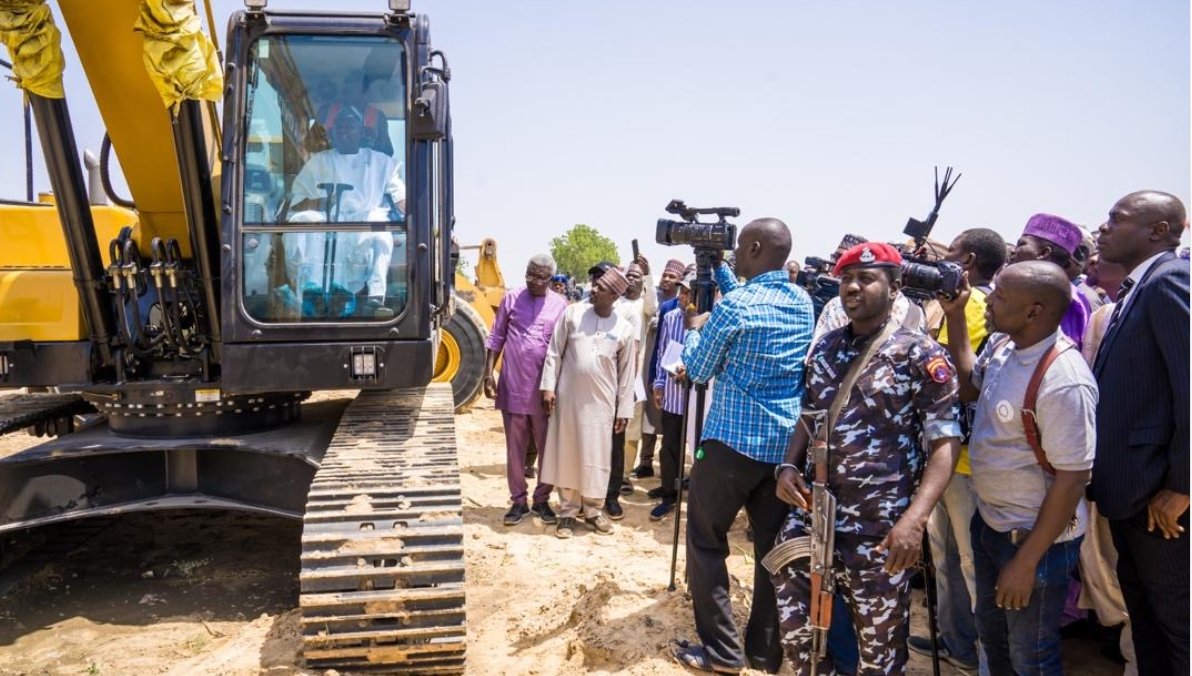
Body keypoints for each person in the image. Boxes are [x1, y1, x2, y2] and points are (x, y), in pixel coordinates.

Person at [770, 242, 960, 676]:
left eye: (866, 278)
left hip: (882, 524)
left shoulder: (921, 355)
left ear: (895, 288)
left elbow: (945, 445)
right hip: (816, 512)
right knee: (799, 625)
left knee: (880, 647)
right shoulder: (825, 349)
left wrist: (915, 519)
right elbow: (809, 414)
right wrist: (787, 465)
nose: (852, 287)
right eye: (846, 279)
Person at [669, 218, 813, 675]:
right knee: (771, 552)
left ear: (751, 246)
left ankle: (723, 653)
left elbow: (698, 366)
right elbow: (750, 302)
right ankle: (765, 652)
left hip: (730, 445)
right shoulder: (800, 300)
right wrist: (721, 271)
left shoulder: (735, 309)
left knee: (706, 543)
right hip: (782, 454)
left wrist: (693, 327)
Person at [940, 260, 1097, 674]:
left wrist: (1026, 562)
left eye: (1001, 296)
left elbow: (1074, 477)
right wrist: (955, 318)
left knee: (1032, 656)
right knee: (995, 641)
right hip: (991, 524)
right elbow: (970, 385)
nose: (988, 300)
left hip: (1033, 541)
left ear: (1035, 311)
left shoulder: (1064, 380)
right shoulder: (1004, 345)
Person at [1091, 191, 1188, 676]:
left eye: (1116, 219)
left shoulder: (1172, 279)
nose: (1103, 228)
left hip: (1162, 501)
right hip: (1134, 494)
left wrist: (1183, 484)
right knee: (1148, 624)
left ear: (1159, 230)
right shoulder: (1136, 289)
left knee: (1179, 630)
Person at [906, 227, 1005, 672]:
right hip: (942, 453)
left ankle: (986, 656)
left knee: (969, 563)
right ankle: (955, 643)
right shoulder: (953, 304)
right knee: (944, 558)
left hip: (963, 459)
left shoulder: (977, 304)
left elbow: (949, 371)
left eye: (952, 252)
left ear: (965, 263)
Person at [539, 267, 637, 539]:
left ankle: (594, 510)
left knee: (596, 456)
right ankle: (568, 512)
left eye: (601, 287)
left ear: (615, 296)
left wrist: (624, 409)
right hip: (568, 398)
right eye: (595, 285)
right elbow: (555, 352)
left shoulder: (624, 328)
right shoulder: (572, 314)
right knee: (567, 452)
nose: (593, 289)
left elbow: (628, 374)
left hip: (602, 405)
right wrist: (548, 386)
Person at [483, 254, 568, 526]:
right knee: (515, 449)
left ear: (550, 279)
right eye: (529, 274)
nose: (533, 281)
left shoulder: (560, 305)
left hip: (545, 391)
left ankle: (542, 500)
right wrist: (487, 374)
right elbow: (496, 337)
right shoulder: (511, 298)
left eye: (540, 277)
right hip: (513, 386)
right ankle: (518, 501)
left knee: (547, 448)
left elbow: (565, 348)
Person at [603, 258, 655, 517]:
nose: (632, 279)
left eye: (637, 276)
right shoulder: (617, 304)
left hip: (635, 378)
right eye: (629, 275)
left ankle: (624, 475)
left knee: (631, 431)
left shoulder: (642, 307)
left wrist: (648, 274)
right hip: (608, 375)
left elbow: (652, 303)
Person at [633, 258, 688, 479]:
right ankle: (647, 463)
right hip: (658, 369)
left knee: (678, 436)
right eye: (664, 275)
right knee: (651, 418)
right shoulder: (667, 309)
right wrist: (657, 378)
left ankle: (680, 478)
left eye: (672, 277)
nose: (666, 279)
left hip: (685, 382)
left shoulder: (697, 310)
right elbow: (663, 346)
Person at [1008, 213, 1090, 349]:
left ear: (1043, 253)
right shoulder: (1026, 289)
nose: (1014, 252)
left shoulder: (1068, 300)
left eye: (1021, 244)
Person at [649, 272, 692, 521]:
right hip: (674, 398)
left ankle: (698, 499)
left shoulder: (713, 318)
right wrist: (659, 383)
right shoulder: (672, 317)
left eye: (688, 292)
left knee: (699, 453)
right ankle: (669, 496)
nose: (683, 296)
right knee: (669, 449)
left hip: (701, 400)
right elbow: (664, 351)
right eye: (682, 291)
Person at [318, 71, 394, 156]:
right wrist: (327, 138)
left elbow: (387, 153)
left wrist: (372, 141)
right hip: (329, 166)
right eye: (345, 90)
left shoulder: (378, 117)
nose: (345, 95)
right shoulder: (326, 112)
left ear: (365, 94)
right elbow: (309, 147)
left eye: (351, 91)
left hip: (366, 168)